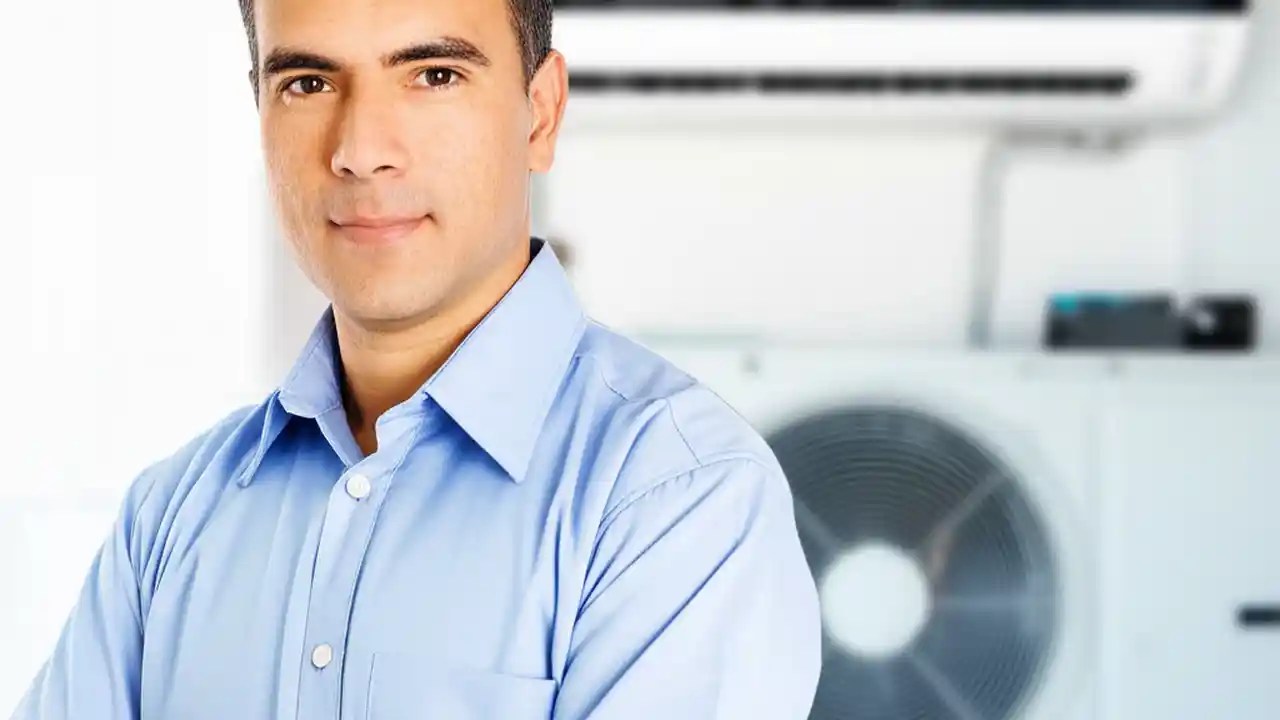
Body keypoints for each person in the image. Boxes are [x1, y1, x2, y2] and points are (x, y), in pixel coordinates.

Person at [11, 0, 821, 717]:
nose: (362, 150)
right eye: (308, 83)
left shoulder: (679, 501)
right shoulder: (169, 520)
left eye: (433, 75)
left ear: (539, 115)